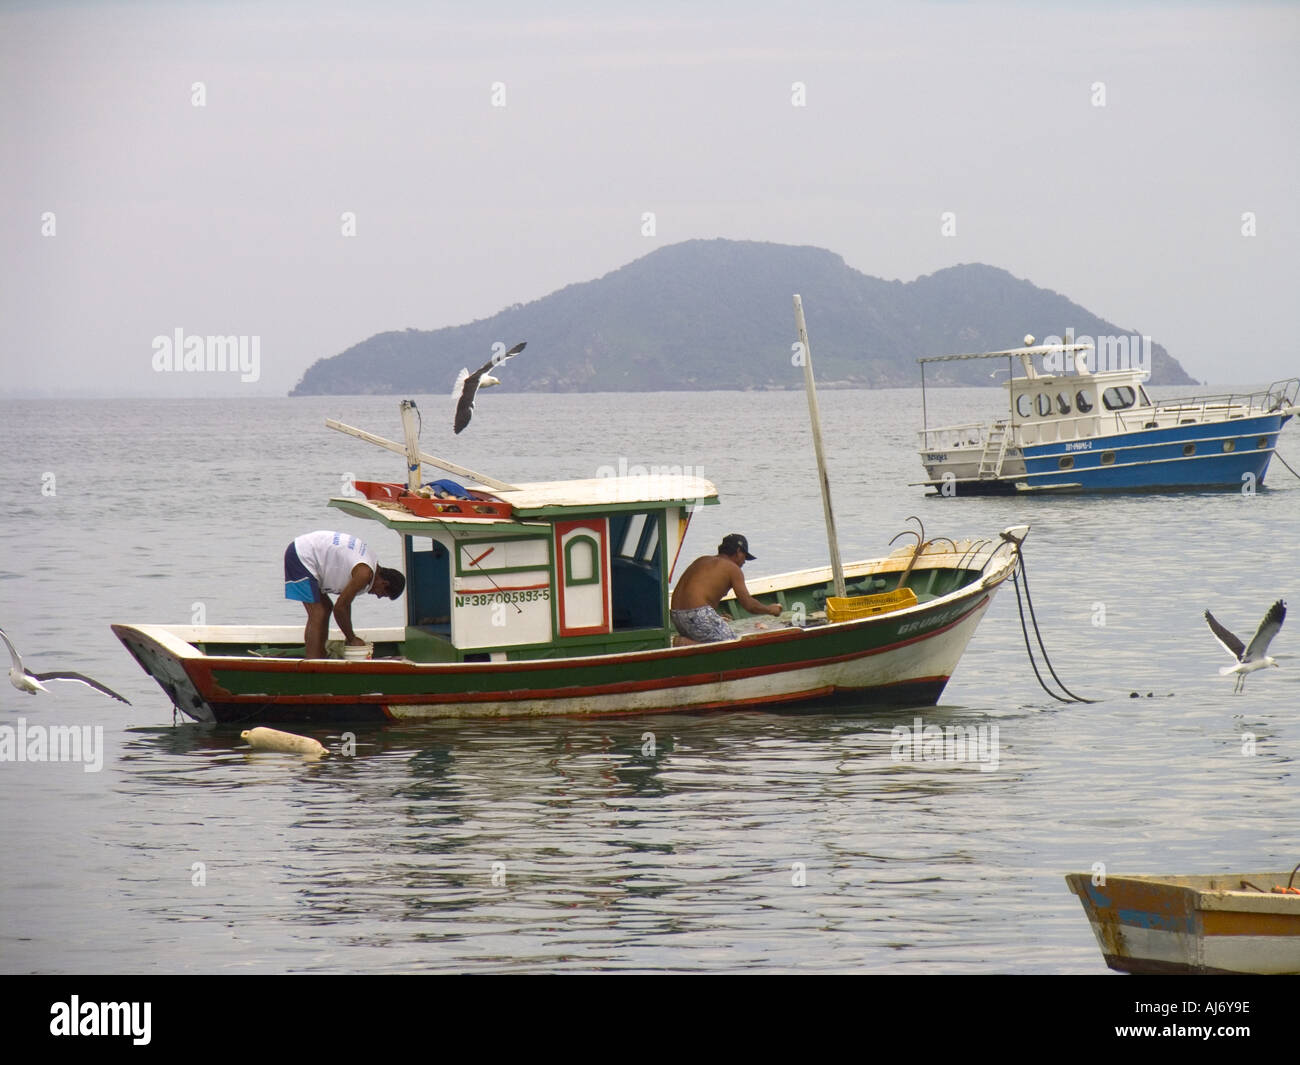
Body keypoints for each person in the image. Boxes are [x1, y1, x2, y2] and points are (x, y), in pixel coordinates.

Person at [284, 530, 405, 658]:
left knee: (325, 608)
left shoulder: (370, 564)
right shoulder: (364, 574)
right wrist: (351, 638)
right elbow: (340, 608)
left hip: (308, 553)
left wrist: (350, 635)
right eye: (383, 594)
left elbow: (345, 603)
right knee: (318, 612)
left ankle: (320, 655)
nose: (378, 596)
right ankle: (313, 663)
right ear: (384, 583)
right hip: (302, 555)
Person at [669, 533, 781, 643]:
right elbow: (749, 605)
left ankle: (686, 642)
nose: (744, 561)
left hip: (676, 615)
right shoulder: (733, 568)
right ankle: (685, 643)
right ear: (738, 551)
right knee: (732, 644)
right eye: (745, 556)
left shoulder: (701, 560)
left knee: (712, 638)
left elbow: (700, 592)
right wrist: (770, 610)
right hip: (698, 614)